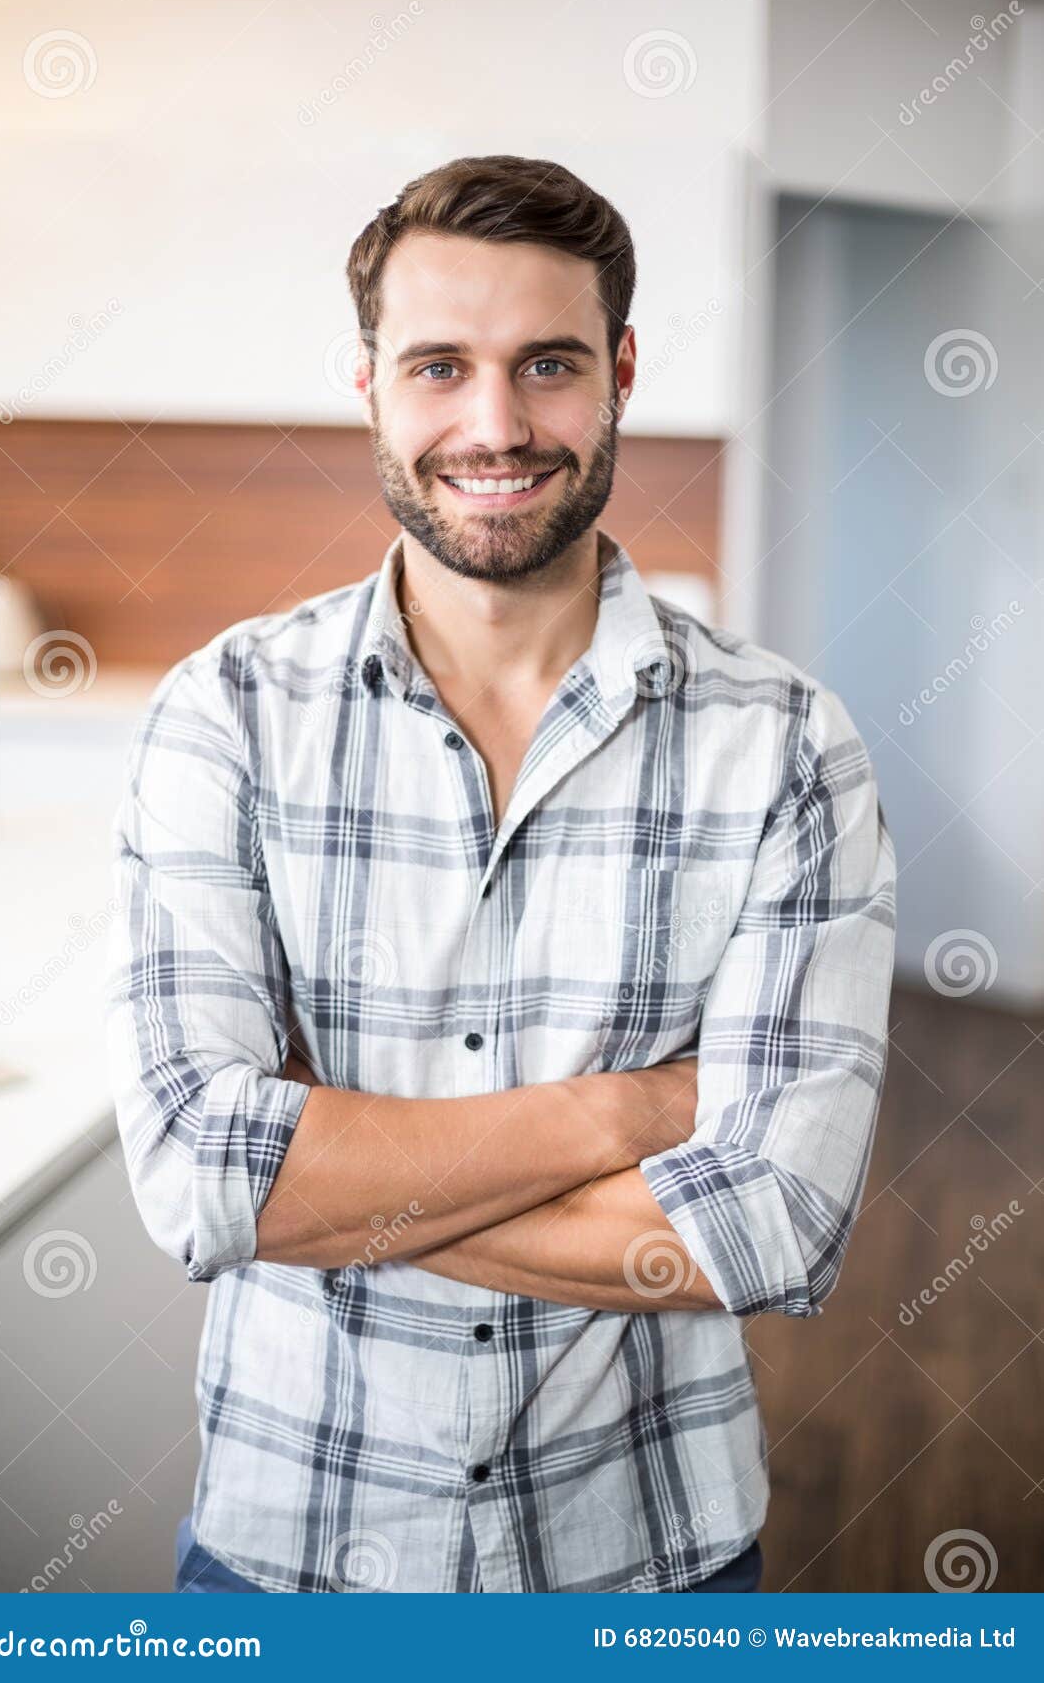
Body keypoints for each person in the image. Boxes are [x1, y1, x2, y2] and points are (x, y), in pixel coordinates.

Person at [105, 155, 896, 1596]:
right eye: (438, 366)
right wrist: (633, 1111)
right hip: (290, 1546)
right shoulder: (224, 712)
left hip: (649, 1555)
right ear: (367, 383)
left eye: (546, 364)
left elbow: (770, 1221)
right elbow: (201, 1180)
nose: (495, 424)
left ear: (621, 372)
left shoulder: (787, 746)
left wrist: (332, 1178)